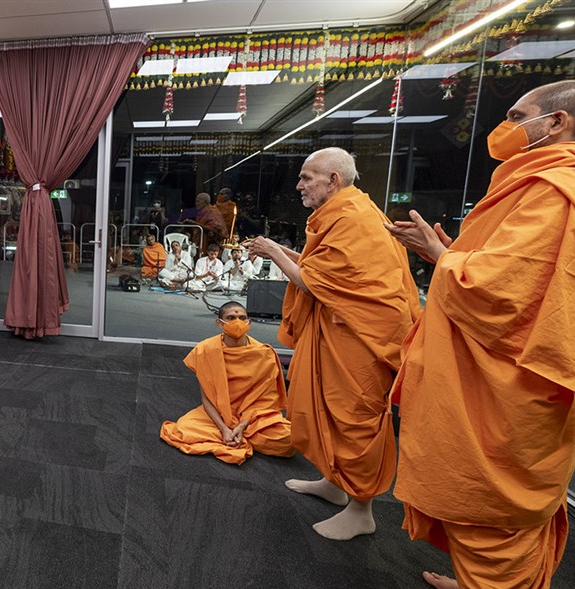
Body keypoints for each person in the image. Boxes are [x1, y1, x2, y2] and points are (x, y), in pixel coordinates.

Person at [386, 80, 575, 589]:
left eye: (519, 115)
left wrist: (442, 258)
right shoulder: (568, 178)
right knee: (475, 497)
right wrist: (453, 253)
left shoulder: (563, 186)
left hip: (510, 380)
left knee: (488, 505)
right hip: (497, 366)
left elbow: (504, 292)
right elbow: (516, 269)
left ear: (558, 123)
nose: (507, 124)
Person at [246, 147, 419, 541]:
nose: (299, 185)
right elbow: (323, 270)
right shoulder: (344, 212)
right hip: (339, 329)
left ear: (333, 180)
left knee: (354, 418)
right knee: (329, 410)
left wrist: (273, 252)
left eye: (307, 178)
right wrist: (282, 252)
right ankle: (336, 483)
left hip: (362, 338)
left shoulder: (354, 218)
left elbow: (313, 282)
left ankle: (361, 510)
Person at [160, 301, 293, 464]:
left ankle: (238, 434)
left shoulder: (264, 353)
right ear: (219, 323)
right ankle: (233, 436)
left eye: (242, 318)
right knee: (183, 430)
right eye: (231, 318)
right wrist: (224, 429)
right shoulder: (206, 349)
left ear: (249, 322)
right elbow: (207, 399)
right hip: (219, 414)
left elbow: (265, 401)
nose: (237, 322)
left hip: (253, 417)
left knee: (288, 440)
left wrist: (241, 425)